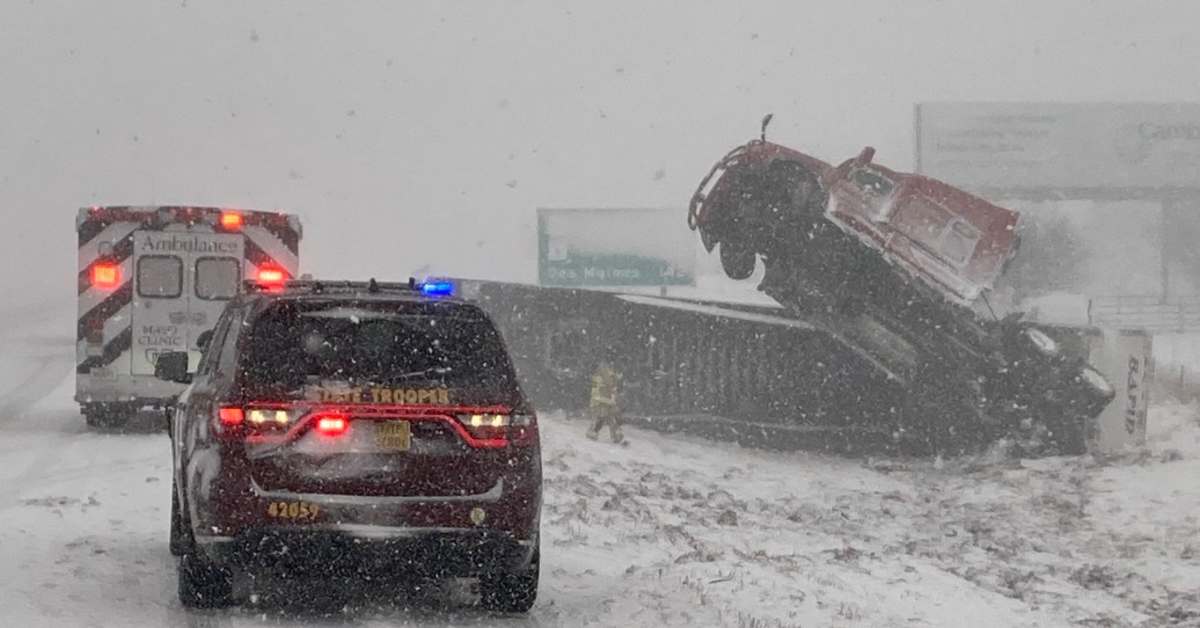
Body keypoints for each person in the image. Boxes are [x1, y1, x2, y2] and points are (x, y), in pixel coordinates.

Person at [586, 357, 624, 443]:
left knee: (613, 414)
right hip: (598, 403)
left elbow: (614, 390)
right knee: (602, 414)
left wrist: (614, 399)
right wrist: (608, 401)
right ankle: (593, 431)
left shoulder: (613, 378)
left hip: (608, 402)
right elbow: (595, 395)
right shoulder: (598, 378)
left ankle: (616, 433)